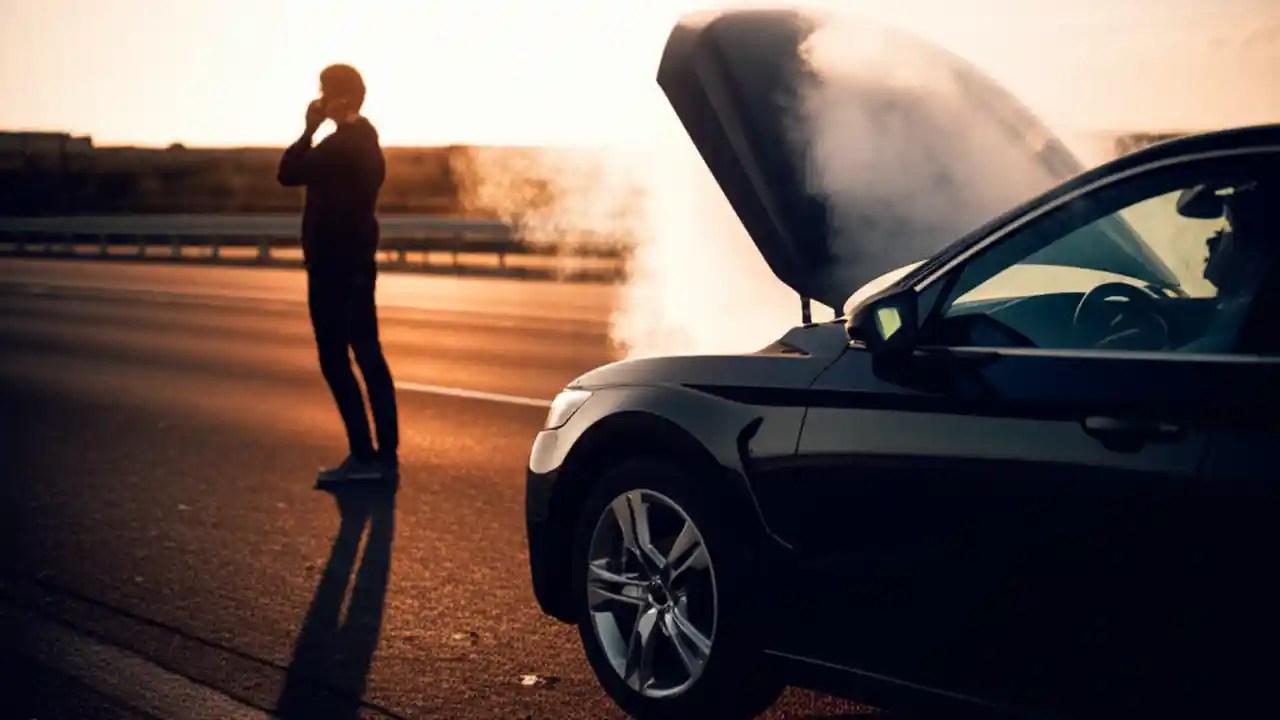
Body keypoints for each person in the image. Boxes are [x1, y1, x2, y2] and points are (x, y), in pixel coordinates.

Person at [278, 64, 399, 485]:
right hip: (349, 266)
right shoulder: (361, 141)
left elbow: (287, 173)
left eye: (323, 93)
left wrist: (308, 128)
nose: (318, 100)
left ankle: (369, 457)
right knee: (366, 356)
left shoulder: (345, 144)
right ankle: (380, 457)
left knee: (340, 358)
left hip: (336, 268)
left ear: (340, 98)